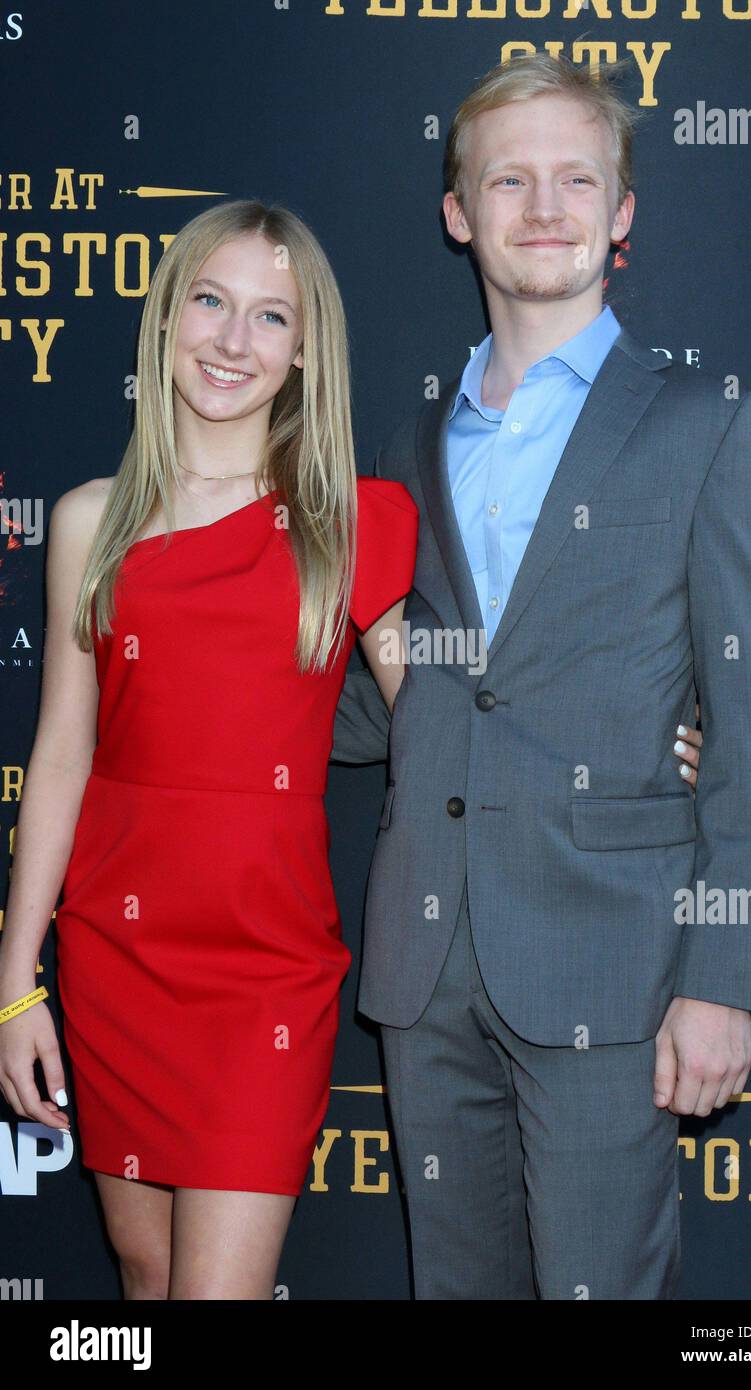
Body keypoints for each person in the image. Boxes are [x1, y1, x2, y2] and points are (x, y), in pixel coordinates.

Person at [330, 54, 751, 1299]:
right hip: (426, 962)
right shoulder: (407, 441)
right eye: (508, 180)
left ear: (621, 211)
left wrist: (721, 983)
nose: (543, 207)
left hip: (618, 961)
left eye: (574, 178)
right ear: (457, 213)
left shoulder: (708, 422)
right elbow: (391, 701)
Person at [0, 201, 418, 1300]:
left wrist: (622, 744)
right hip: (114, 953)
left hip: (265, 972)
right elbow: (61, 754)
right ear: (167, 316)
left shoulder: (349, 523)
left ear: (301, 351)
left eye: (269, 316)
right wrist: (15, 981)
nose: (233, 342)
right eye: (212, 301)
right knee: (144, 1277)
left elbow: (449, 719)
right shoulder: (91, 523)